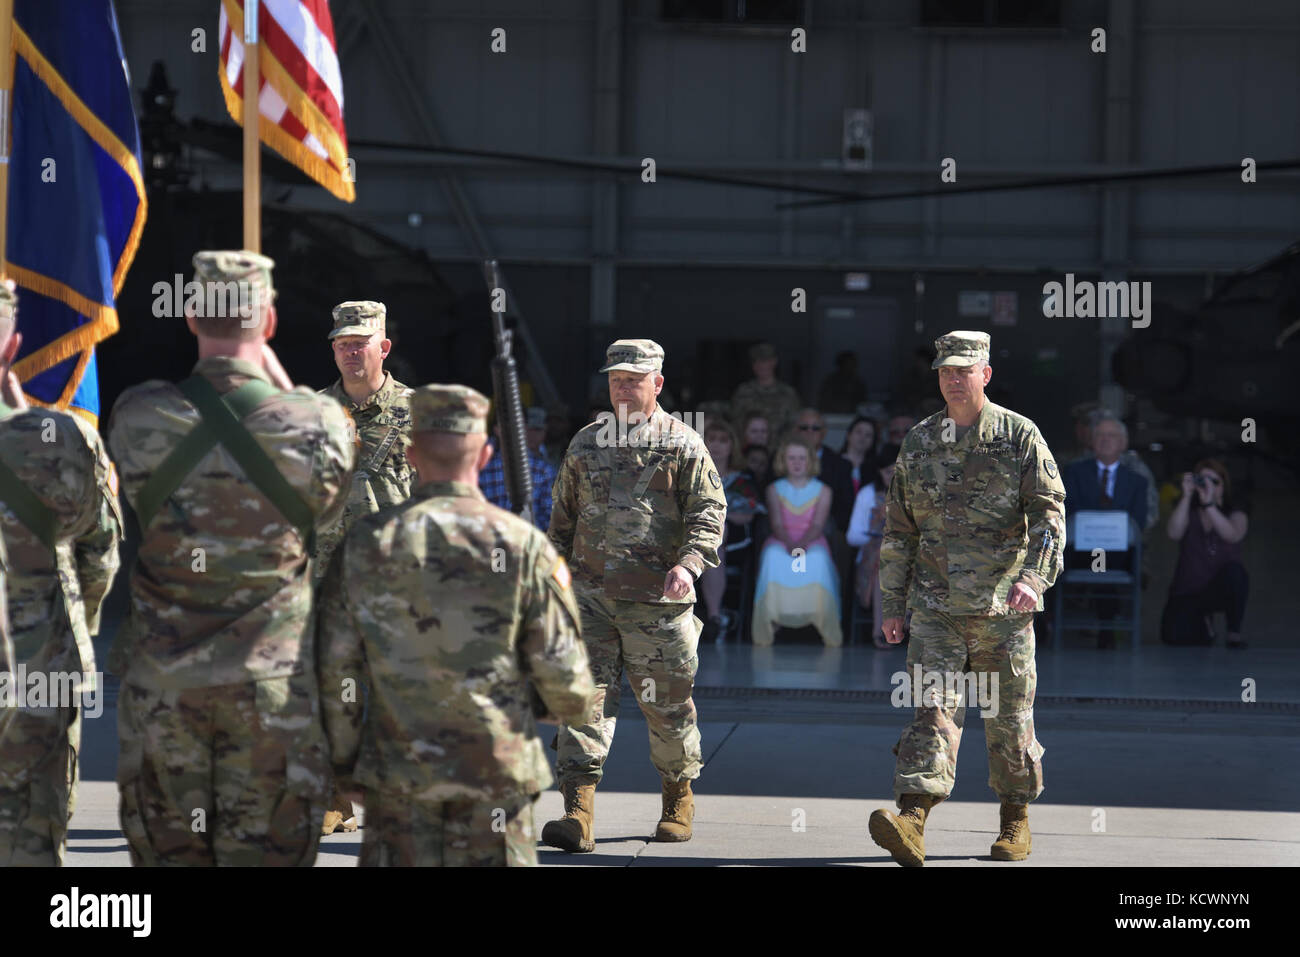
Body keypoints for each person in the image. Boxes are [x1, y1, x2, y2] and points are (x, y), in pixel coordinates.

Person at [107, 250, 354, 866]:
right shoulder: (317, 422)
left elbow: (132, 504)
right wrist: (283, 391)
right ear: (268, 324)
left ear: (191, 317)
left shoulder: (138, 415)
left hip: (165, 697)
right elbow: (325, 514)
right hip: (271, 700)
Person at [316, 384, 597, 866]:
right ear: (486, 453)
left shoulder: (366, 546)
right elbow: (571, 691)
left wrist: (346, 769)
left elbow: (330, 673)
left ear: (410, 453)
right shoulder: (522, 546)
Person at [871, 330, 1065, 867]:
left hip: (1004, 608)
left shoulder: (1019, 437)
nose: (953, 379)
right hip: (935, 607)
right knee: (931, 711)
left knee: (1007, 719)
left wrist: (1034, 577)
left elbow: (1049, 516)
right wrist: (892, 605)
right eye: (945, 371)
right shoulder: (920, 441)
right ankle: (912, 818)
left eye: (963, 370)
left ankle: (1014, 819)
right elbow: (900, 531)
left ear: (986, 374)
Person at [543, 339, 726, 852]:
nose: (623, 387)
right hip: (590, 600)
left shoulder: (684, 443)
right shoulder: (585, 443)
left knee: (666, 708)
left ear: (657, 384)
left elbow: (709, 513)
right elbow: (562, 520)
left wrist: (689, 566)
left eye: (634, 379)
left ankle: (677, 799)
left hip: (658, 605)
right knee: (581, 703)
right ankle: (577, 812)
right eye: (615, 379)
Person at [0, 281, 123, 866]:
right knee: (30, 835)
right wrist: (81, 620)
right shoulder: (65, 442)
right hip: (37, 670)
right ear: (15, 347)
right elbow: (100, 552)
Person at [313, 299, 414, 834]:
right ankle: (336, 796)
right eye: (342, 344)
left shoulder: (418, 413)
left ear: (384, 347)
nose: (351, 352)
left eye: (361, 343)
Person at [752, 437, 842, 647]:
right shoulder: (774, 489)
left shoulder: (824, 490)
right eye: (791, 458)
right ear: (783, 460)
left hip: (812, 541)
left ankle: (821, 621)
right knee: (773, 557)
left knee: (818, 559)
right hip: (781, 540)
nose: (797, 462)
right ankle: (772, 620)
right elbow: (777, 524)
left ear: (811, 461)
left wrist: (801, 545)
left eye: (802, 458)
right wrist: (790, 545)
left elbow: (818, 525)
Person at [1161, 459, 1249, 648]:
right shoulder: (1188, 511)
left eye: (1215, 482)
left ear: (1224, 486)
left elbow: (1232, 535)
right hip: (1189, 588)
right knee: (1174, 637)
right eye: (1203, 480)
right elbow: (1173, 533)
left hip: (1221, 585)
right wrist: (1186, 496)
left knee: (1237, 574)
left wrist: (1210, 505)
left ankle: (1234, 632)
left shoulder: (1236, 513)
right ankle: (1205, 623)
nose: (1209, 485)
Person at [698, 418, 763, 642]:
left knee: (718, 534)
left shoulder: (743, 478)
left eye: (723, 440)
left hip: (733, 539)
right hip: (690, 534)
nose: (716, 445)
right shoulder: (689, 472)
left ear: (732, 446)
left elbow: (748, 513)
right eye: (711, 439)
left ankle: (714, 617)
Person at [847, 443, 900, 649]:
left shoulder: (916, 494)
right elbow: (852, 536)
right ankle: (882, 630)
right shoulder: (867, 494)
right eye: (889, 472)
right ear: (880, 472)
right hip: (874, 558)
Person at [478, 408, 558, 531]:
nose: (512, 431)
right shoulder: (482, 467)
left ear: (525, 428)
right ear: (496, 430)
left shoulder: (543, 470)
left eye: (518, 425)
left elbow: (550, 518)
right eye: (505, 425)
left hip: (528, 545)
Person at [730, 342, 801, 443]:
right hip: (748, 450)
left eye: (765, 361)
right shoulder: (743, 392)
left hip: (779, 451)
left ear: (774, 362)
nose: (761, 365)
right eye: (756, 361)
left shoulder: (788, 394)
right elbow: (736, 423)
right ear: (752, 365)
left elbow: (794, 425)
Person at [840, 415, 879, 497]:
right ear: (848, 435)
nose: (862, 437)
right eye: (859, 432)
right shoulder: (833, 463)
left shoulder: (876, 468)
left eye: (868, 435)